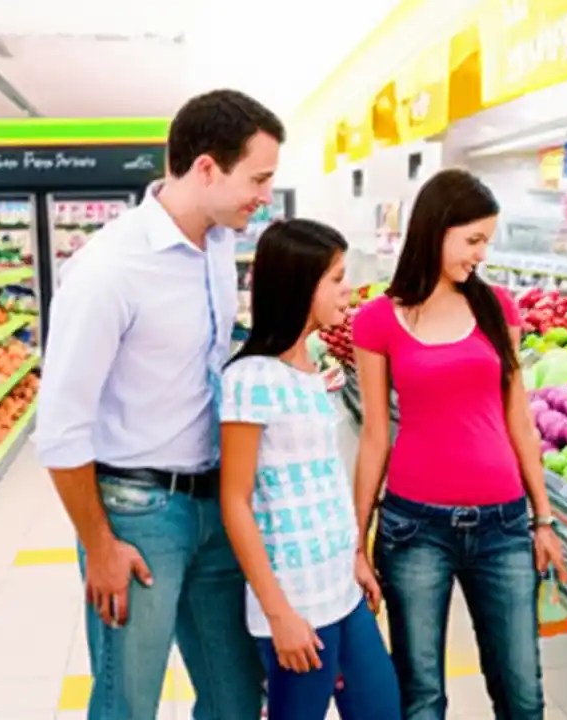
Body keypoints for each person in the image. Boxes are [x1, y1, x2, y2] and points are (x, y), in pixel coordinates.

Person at [34, 89, 281, 719]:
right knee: (128, 702)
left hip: (214, 504)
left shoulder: (221, 250)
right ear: (206, 168)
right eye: (258, 178)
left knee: (235, 698)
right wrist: (99, 542)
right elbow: (60, 428)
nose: (264, 195)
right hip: (135, 515)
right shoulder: (108, 269)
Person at [352, 168, 567, 720]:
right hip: (413, 529)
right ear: (437, 228)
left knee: (523, 695)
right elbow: (376, 434)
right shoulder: (378, 319)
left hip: (503, 527)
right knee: (421, 697)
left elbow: (518, 415)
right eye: (473, 240)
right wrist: (356, 541)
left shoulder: (497, 306)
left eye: (486, 242)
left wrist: (543, 519)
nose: (480, 254)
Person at [219, 219, 402, 720]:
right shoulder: (249, 378)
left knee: (384, 708)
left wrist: (356, 557)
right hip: (297, 603)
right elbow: (235, 501)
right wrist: (279, 614)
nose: (348, 291)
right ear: (301, 285)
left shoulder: (309, 370)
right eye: (337, 278)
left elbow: (323, 478)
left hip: (340, 588)